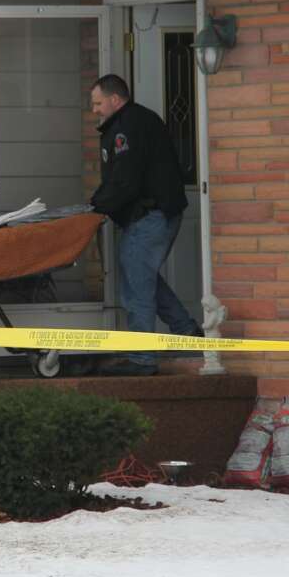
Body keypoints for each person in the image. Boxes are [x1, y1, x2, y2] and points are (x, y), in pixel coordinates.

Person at [89, 73, 202, 376]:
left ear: (115, 99)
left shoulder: (129, 126)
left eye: (98, 103)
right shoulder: (131, 122)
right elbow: (121, 179)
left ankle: (142, 358)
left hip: (152, 214)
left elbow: (125, 179)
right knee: (142, 276)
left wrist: (96, 207)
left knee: (136, 285)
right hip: (154, 213)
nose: (95, 110)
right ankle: (187, 333)